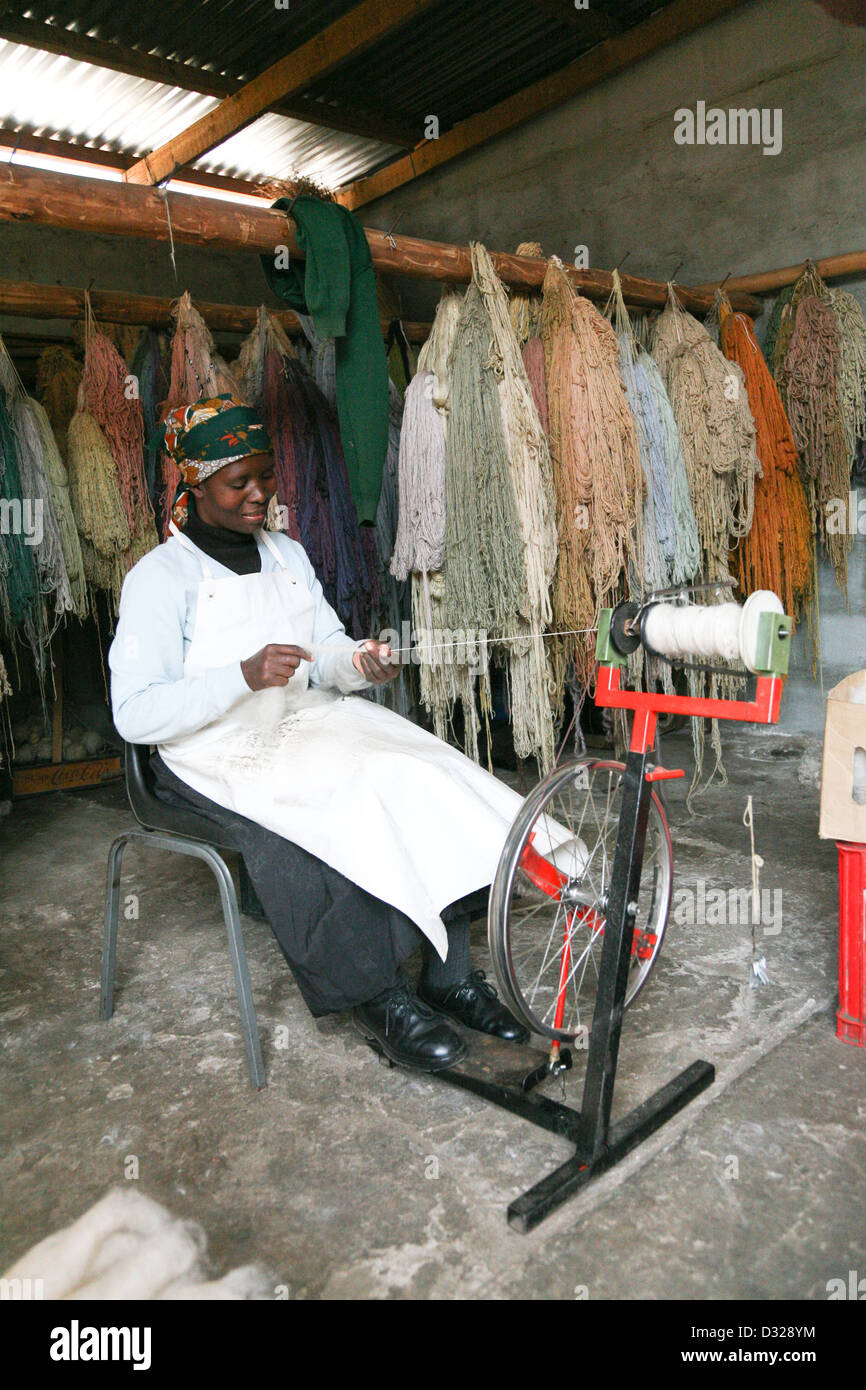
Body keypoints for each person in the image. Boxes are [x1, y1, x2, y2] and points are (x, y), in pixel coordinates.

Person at [109, 395, 545, 1072]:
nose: (261, 495)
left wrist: (358, 662)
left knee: (418, 769)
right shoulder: (159, 580)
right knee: (327, 812)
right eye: (239, 483)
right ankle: (376, 997)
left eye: (267, 476)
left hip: (301, 720)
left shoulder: (286, 554)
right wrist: (240, 676)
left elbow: (326, 653)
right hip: (209, 752)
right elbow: (135, 713)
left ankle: (450, 974)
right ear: (194, 486)